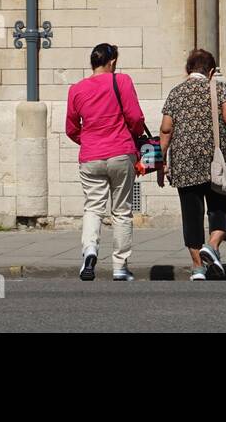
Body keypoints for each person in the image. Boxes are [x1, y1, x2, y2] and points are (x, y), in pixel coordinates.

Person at [160, 49, 226, 281]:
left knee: (192, 215)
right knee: (223, 207)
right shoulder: (217, 88)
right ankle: (212, 245)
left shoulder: (175, 93)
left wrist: (160, 164)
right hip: (216, 163)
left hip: (184, 164)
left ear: (187, 70)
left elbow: (166, 130)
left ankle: (198, 268)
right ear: (211, 72)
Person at [65, 43, 144, 282]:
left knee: (93, 208)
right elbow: (135, 117)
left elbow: (71, 128)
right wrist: (134, 135)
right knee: (121, 211)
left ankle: (90, 251)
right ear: (111, 62)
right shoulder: (122, 81)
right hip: (121, 152)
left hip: (90, 156)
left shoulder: (76, 89)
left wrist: (88, 140)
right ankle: (120, 266)